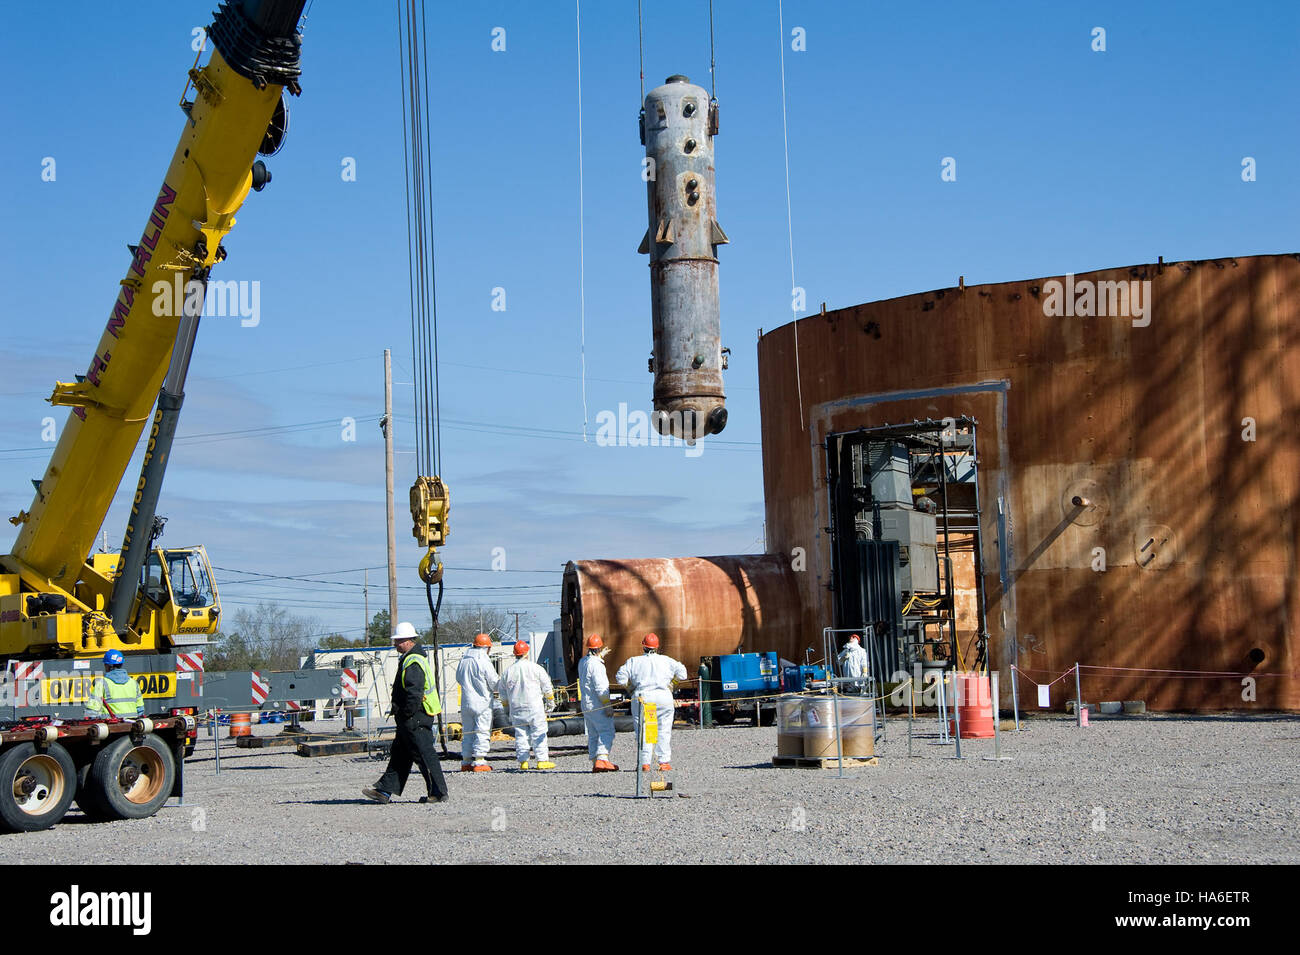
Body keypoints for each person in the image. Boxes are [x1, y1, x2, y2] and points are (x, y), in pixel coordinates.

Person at [362, 622, 448, 804]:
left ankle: (439, 792)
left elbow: (414, 691)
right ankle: (384, 791)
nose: (395, 644)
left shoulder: (413, 661)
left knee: (423, 753)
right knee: (400, 753)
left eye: (398, 640)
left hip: (416, 715)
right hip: (411, 716)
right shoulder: (412, 658)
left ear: (408, 641)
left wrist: (407, 713)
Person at [615, 633, 685, 771]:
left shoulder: (634, 661)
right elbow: (683, 674)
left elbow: (620, 678)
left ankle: (645, 763)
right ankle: (664, 762)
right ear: (657, 647)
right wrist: (672, 684)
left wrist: (630, 687)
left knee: (644, 729)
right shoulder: (667, 660)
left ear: (643, 646)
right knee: (664, 730)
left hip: (644, 698)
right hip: (663, 698)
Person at [498, 641, 555, 769]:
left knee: (521, 735)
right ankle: (542, 760)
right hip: (535, 707)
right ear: (527, 653)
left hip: (517, 709)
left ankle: (523, 762)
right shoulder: (535, 668)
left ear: (515, 654)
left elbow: (502, 692)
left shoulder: (508, 672)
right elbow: (546, 686)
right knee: (539, 733)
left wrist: (507, 709)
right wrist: (550, 701)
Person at [456, 633, 499, 772]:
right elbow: (493, 682)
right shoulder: (484, 660)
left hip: (466, 702)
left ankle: (466, 761)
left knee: (468, 732)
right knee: (482, 731)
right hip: (482, 703)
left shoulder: (464, 659)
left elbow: (458, 678)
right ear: (486, 647)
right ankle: (480, 761)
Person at [578, 634, 618, 772]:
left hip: (586, 704)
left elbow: (590, 668)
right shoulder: (597, 665)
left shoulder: (583, 662)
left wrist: (600, 657)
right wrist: (607, 705)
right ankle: (602, 759)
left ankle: (595, 761)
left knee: (593, 733)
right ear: (599, 648)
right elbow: (601, 687)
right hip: (597, 704)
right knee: (606, 730)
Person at [84, 649, 144, 719]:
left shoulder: (102, 683)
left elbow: (92, 711)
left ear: (108, 666)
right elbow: (140, 710)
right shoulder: (134, 683)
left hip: (111, 727)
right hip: (132, 725)